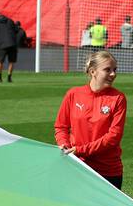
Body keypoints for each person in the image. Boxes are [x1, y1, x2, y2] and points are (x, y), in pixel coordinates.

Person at [54, 51, 127, 189]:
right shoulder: (73, 94)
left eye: (114, 70)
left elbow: (113, 137)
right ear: (93, 71)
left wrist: (80, 150)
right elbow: (61, 127)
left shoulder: (118, 98)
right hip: (76, 166)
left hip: (107, 171)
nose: (113, 74)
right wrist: (64, 144)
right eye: (107, 70)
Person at [0, 11, 19, 84]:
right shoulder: (10, 20)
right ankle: (9, 78)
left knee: (0, 61)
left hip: (2, 44)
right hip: (12, 43)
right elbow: (16, 30)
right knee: (11, 61)